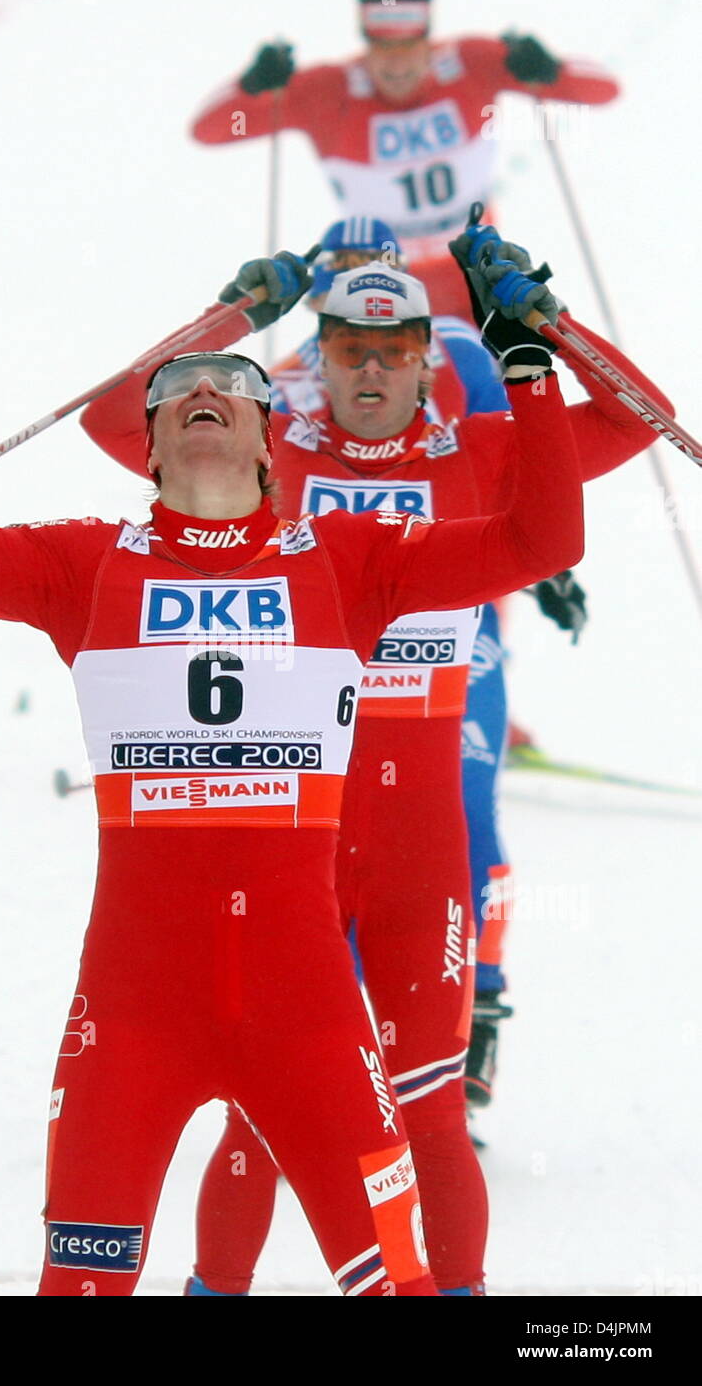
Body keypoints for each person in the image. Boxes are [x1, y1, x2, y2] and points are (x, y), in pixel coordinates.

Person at [0, 238, 585, 1297]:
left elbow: (542, 538)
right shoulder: (85, 566)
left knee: (404, 1282)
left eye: (233, 382)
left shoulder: (344, 560)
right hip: (130, 1018)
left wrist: (527, 365)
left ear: (274, 443)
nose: (206, 389)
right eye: (180, 387)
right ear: (149, 448)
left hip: (307, 1011)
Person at [82, 231, 672, 1295]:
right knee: (262, 1115)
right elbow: (112, 418)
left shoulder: (481, 455)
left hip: (416, 839)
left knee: (431, 1106)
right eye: (347, 344)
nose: (368, 368)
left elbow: (641, 415)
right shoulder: (272, 457)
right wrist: (232, 317)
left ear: (423, 357)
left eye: (391, 347)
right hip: (289, 842)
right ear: (321, 350)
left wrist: (542, 320)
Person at [270, 216, 587, 1111]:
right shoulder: (300, 362)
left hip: (458, 618)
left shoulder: (454, 345)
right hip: (334, 646)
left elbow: (528, 459)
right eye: (342, 274)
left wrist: (551, 566)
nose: (367, 287)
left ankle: (474, 1017)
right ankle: (342, 1052)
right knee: (334, 849)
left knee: (464, 814)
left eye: (381, 268)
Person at [190, 0, 619, 317]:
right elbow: (209, 130)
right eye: (382, 51)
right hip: (380, 275)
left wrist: (546, 66)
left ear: (428, 37)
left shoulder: (471, 62)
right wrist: (252, 84)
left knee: (492, 400)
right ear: (365, 41)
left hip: (474, 270)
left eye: (409, 50)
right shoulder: (329, 91)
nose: (396, 68)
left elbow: (603, 89)